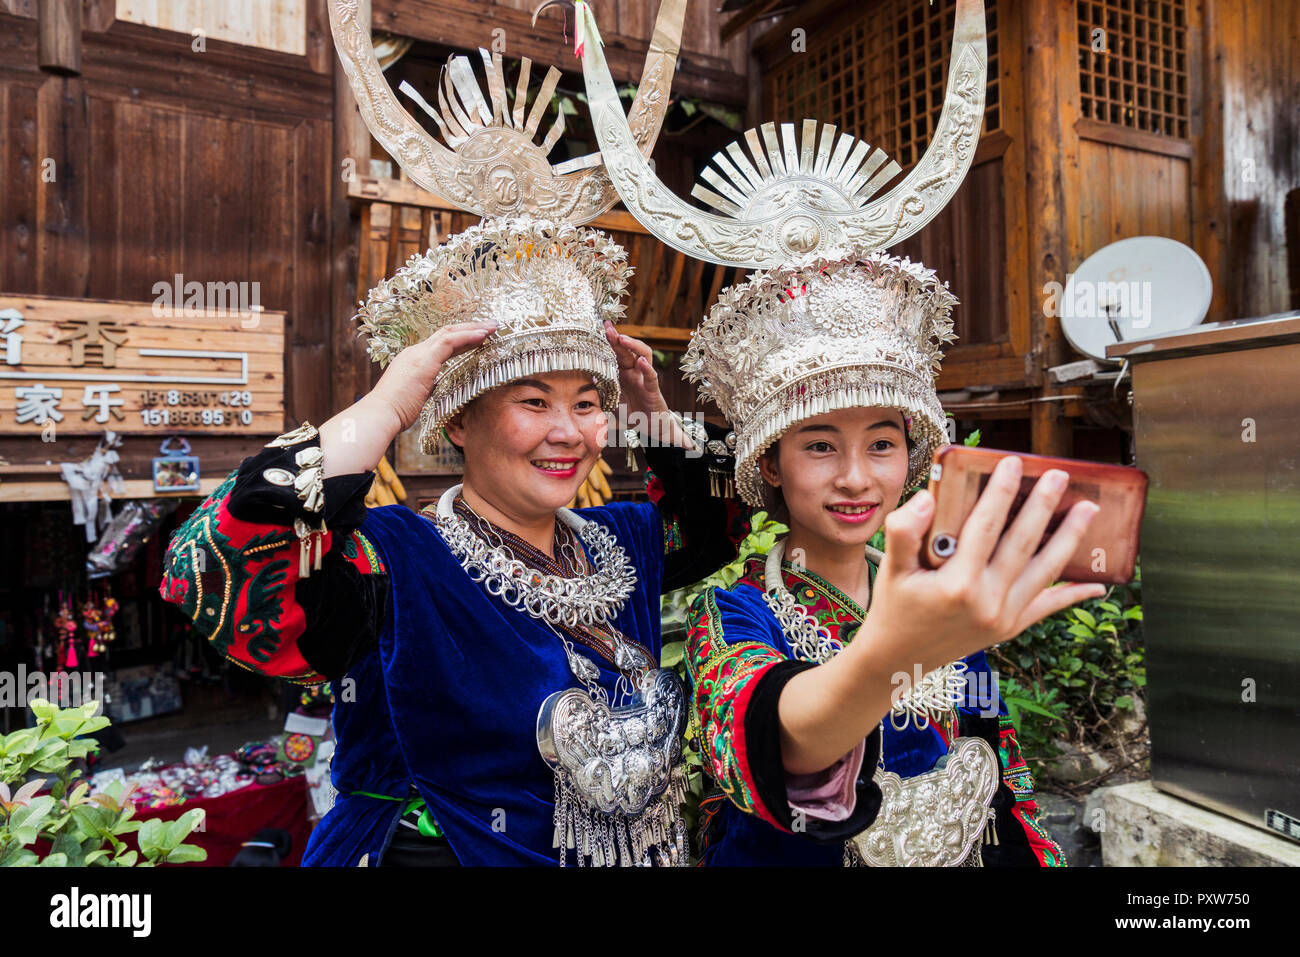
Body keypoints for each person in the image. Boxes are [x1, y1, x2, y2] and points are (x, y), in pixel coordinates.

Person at [158, 10, 749, 865]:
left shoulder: (619, 540)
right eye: (533, 401)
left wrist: (655, 411)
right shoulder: (398, 560)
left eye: (588, 402)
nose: (568, 431)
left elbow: (719, 524)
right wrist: (385, 408)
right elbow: (209, 570)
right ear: (459, 419)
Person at [679, 251, 1098, 865]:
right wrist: (903, 648)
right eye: (820, 446)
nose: (856, 478)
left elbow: (997, 753)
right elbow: (772, 738)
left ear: (910, 458)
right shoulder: (735, 611)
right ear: (771, 462)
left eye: (881, 444)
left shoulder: (942, 589)